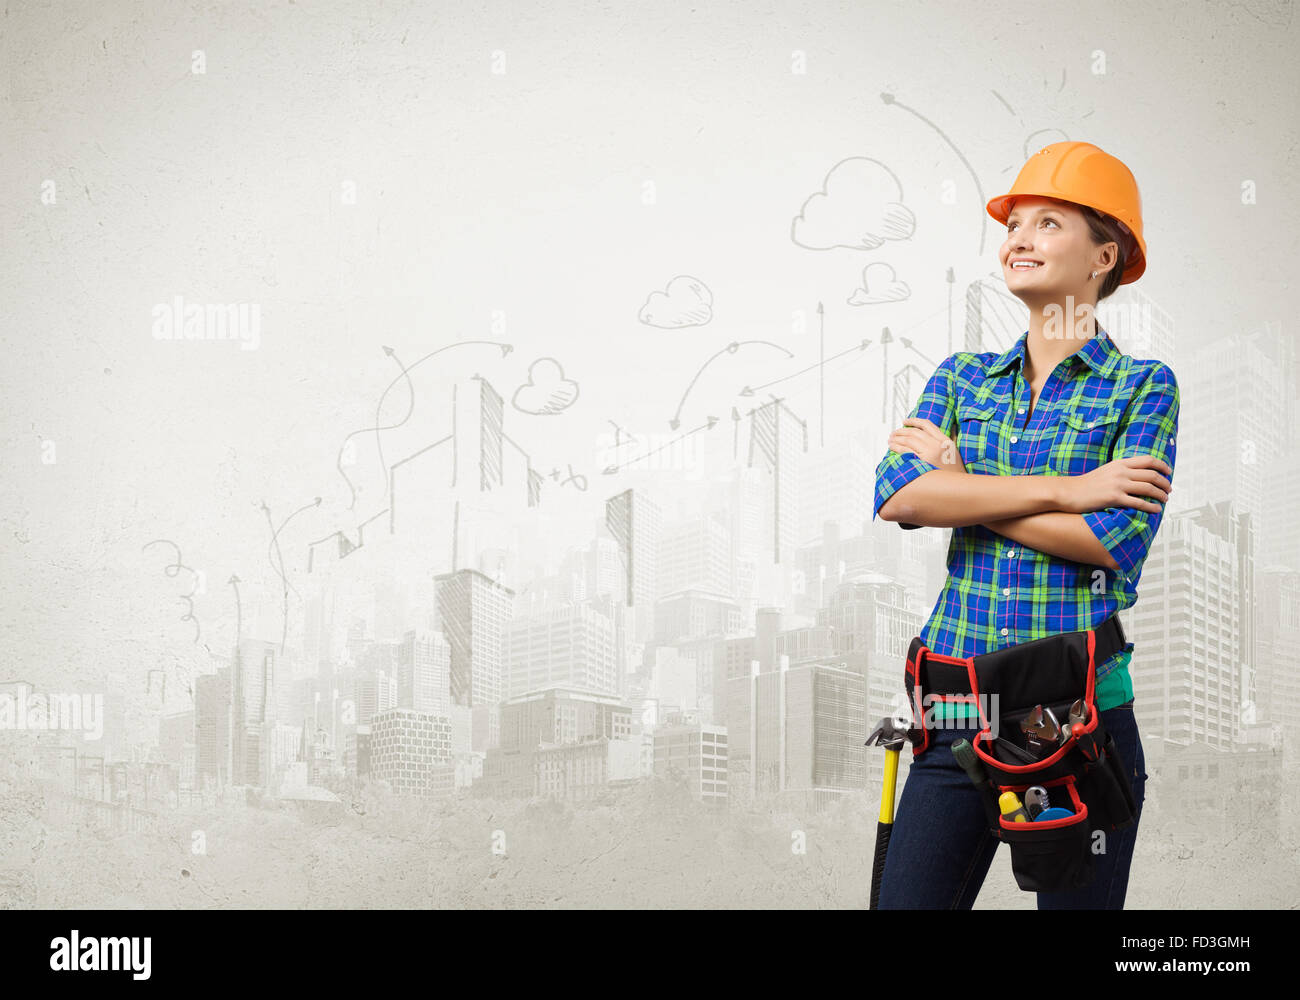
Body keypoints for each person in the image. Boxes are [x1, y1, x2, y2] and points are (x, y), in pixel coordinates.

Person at [871, 141, 1179, 909]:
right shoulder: (961, 377)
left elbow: (1108, 546)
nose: (1019, 238)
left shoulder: (1142, 389)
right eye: (1014, 224)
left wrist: (963, 484)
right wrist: (1072, 490)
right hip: (954, 720)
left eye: (1049, 223)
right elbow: (901, 497)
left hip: (1079, 724)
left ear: (1105, 255)